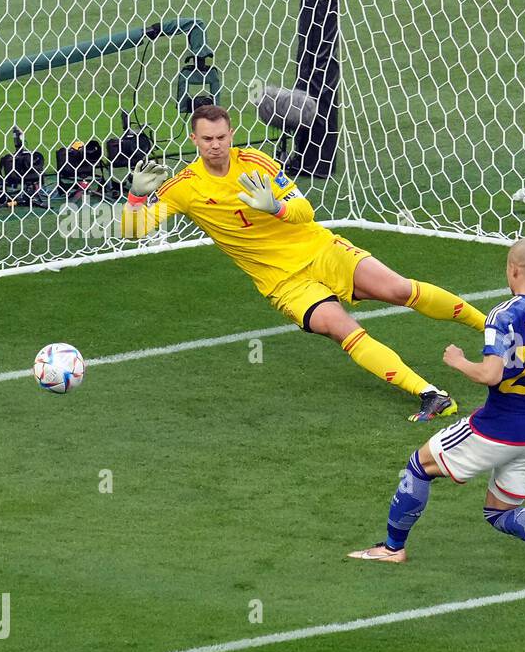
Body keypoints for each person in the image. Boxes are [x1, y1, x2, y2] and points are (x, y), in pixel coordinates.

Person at [121, 104, 484, 421]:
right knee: (344, 330)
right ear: (194, 140)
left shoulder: (257, 163)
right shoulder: (184, 186)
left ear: (231, 134)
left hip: (321, 250)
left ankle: (491, 326)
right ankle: (431, 395)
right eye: (207, 139)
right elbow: (133, 232)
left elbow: (305, 209)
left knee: (400, 289)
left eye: (221, 137)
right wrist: (137, 196)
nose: (215, 145)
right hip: (284, 284)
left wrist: (275, 207)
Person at [349, 237, 525, 579]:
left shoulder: (505, 316)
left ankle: (391, 549)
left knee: (419, 466)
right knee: (500, 512)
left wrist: (459, 362)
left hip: (496, 428)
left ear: (513, 270)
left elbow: (491, 375)